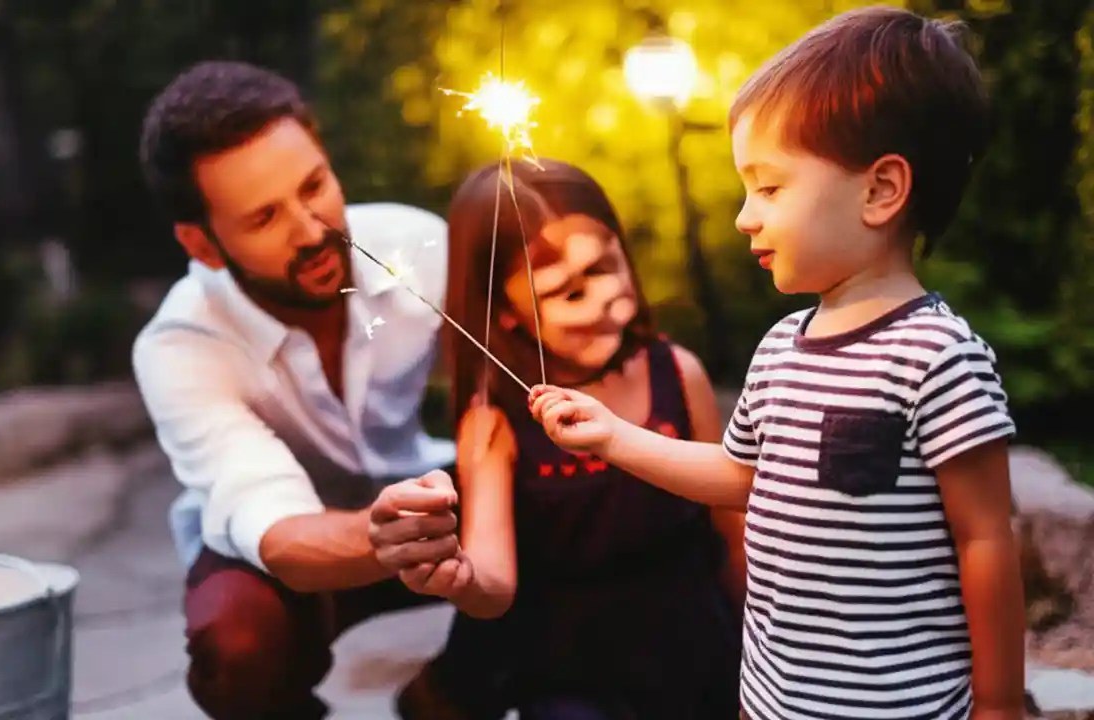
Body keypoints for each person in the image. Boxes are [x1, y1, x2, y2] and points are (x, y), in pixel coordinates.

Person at [530, 7, 1025, 719]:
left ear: (881, 190)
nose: (744, 216)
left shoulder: (937, 357)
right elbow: (744, 478)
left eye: (769, 187)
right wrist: (613, 437)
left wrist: (1000, 704)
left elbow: (986, 536)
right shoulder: (781, 347)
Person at [133, 60, 464, 719]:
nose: (313, 230)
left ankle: (455, 693)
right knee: (236, 643)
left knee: (565, 502)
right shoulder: (180, 346)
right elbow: (278, 533)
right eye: (264, 219)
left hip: (430, 497)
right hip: (290, 561)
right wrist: (389, 538)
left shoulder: (416, 246)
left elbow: (506, 404)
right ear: (201, 244)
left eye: (315, 185)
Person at [387, 159, 745, 719]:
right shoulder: (494, 421)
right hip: (571, 666)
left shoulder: (677, 372)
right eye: (565, 292)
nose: (601, 302)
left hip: (692, 642)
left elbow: (736, 526)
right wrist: (460, 578)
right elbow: (495, 581)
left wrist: (773, 639)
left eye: (606, 267)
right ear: (505, 314)